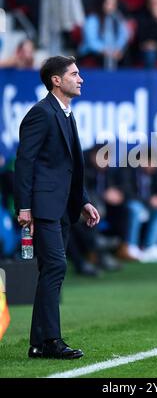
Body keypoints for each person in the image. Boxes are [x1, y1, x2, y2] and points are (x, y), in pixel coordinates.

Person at [14, 55, 100, 360]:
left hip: (63, 207)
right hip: (43, 208)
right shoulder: (41, 114)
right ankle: (51, 341)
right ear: (56, 80)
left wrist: (85, 200)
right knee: (56, 267)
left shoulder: (65, 114)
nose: (81, 79)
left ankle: (39, 344)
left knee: (51, 270)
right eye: (74, 74)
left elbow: (71, 167)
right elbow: (25, 162)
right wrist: (24, 207)